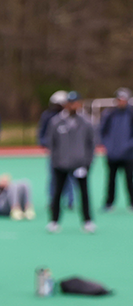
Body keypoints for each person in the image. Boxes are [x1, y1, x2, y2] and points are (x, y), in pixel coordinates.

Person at [46, 91, 96, 233]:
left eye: (76, 102)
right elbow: (51, 142)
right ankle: (54, 221)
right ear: (66, 104)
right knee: (57, 193)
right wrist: (55, 161)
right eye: (70, 103)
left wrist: (87, 163)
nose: (73, 105)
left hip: (80, 164)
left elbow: (91, 144)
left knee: (84, 193)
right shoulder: (56, 122)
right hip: (61, 164)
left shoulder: (86, 122)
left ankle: (87, 221)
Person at [98, 87, 132, 211]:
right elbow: (102, 132)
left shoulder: (131, 113)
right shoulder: (109, 114)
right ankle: (109, 203)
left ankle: (131, 202)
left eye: (123, 99)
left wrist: (128, 146)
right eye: (119, 99)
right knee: (111, 179)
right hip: (112, 154)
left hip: (128, 154)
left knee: (129, 179)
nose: (121, 102)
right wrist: (108, 145)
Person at [39, 91, 74, 211]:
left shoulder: (71, 116)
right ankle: (52, 200)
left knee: (70, 177)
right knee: (53, 176)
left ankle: (70, 200)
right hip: (55, 153)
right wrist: (45, 143)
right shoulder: (48, 116)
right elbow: (43, 132)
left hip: (70, 153)